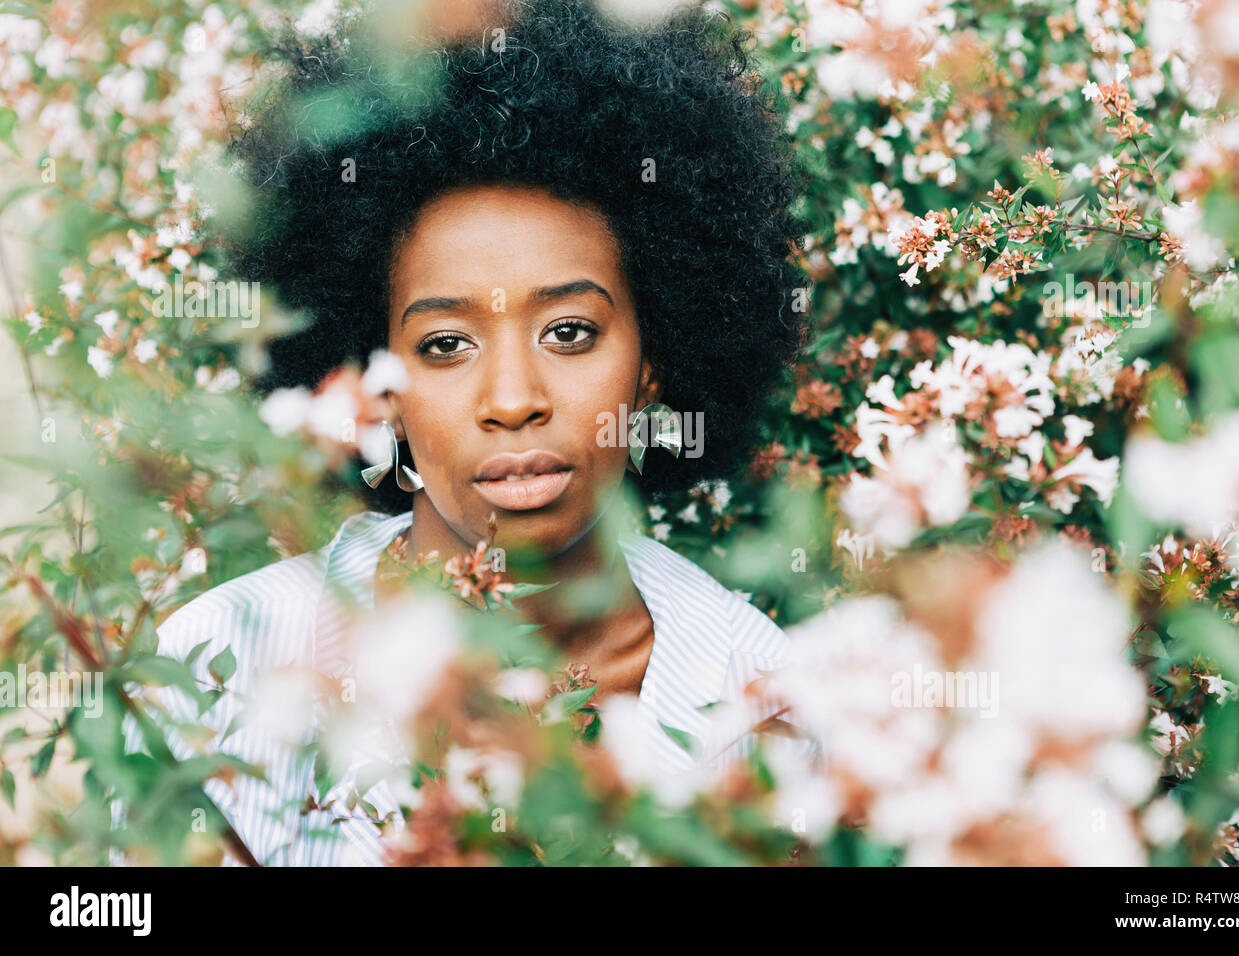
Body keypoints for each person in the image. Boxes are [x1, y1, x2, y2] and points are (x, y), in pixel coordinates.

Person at [126, 0, 810, 865]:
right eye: (445, 346)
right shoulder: (213, 665)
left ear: (654, 364)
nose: (514, 398)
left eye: (570, 332)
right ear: (375, 387)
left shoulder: (756, 698)